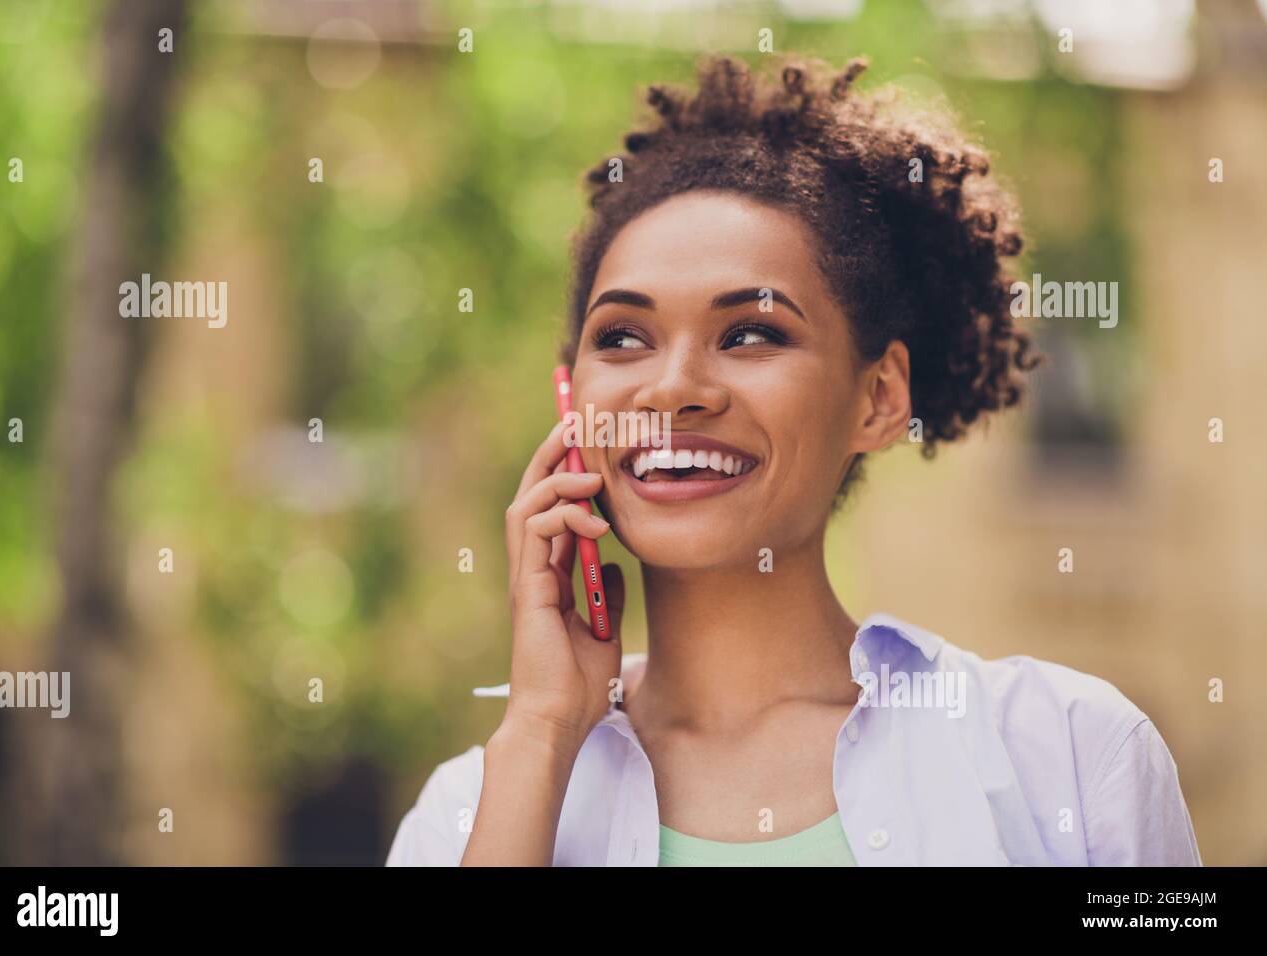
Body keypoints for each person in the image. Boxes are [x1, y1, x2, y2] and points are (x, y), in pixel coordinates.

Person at [387, 54, 1201, 866]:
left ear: (880, 398)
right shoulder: (470, 811)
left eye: (751, 333)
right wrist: (539, 730)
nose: (671, 391)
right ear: (573, 402)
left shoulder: (1071, 755)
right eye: (623, 338)